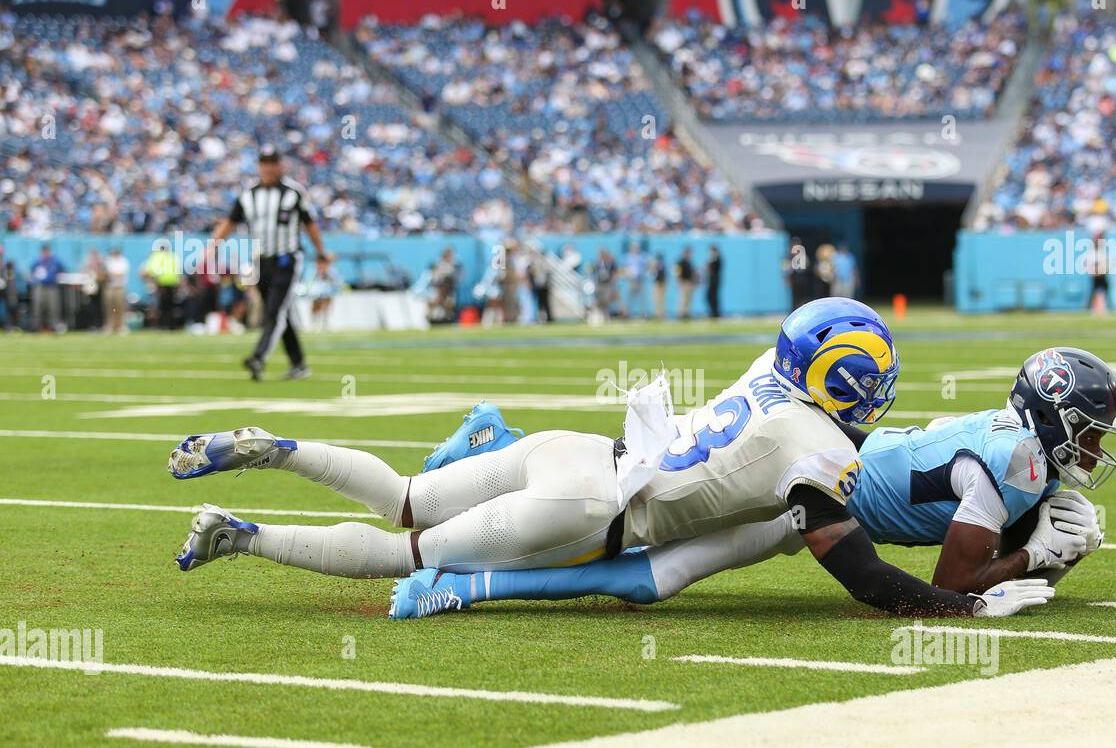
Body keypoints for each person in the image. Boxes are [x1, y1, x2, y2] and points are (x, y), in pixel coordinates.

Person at [168, 299, 1054, 621]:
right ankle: (241, 537)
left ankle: (277, 448)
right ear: (847, 380)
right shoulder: (816, 446)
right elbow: (861, 576)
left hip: (578, 448)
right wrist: (964, 604)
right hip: (595, 514)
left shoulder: (766, 376)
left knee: (403, 497)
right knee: (406, 555)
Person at [402, 348, 1116, 612]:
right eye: (1088, 431)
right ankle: (463, 584)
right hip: (801, 498)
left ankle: (502, 447)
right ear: (1053, 420)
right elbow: (951, 586)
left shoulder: (1021, 450)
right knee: (646, 575)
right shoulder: (1020, 463)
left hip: (810, 460)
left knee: (644, 473)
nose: (1092, 450)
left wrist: (1044, 560)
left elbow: (997, 578)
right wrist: (1037, 555)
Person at [209, 146, 333, 381]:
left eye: (272, 162)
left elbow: (310, 224)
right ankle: (299, 364)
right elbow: (230, 221)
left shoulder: (294, 193)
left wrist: (320, 253)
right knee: (279, 314)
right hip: (261, 261)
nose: (267, 167)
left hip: (287, 259)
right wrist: (211, 246)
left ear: (280, 165)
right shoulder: (248, 194)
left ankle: (258, 357)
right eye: (263, 162)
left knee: (275, 312)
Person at [141, 242, 181, 330]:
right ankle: (171, 326)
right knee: (170, 306)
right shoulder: (173, 256)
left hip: (161, 284)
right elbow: (178, 272)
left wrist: (154, 281)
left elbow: (151, 270)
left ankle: (162, 325)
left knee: (161, 306)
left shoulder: (157, 256)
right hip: (172, 284)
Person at [30, 245, 65, 333]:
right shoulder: (38, 261)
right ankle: (36, 327)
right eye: (44, 252)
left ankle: (54, 327)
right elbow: (32, 270)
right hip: (40, 286)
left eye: (47, 252)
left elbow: (62, 269)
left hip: (52, 286)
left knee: (53, 308)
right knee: (38, 307)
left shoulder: (55, 261)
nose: (46, 254)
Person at [103, 247, 129, 334]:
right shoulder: (108, 261)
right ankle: (110, 325)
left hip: (119, 287)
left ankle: (121, 326)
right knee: (110, 308)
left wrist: (112, 274)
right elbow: (106, 273)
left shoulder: (123, 261)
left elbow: (120, 274)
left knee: (119, 307)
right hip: (110, 287)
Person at [623, 241, 648, 319]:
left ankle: (644, 314)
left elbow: (648, 264)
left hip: (640, 280)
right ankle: (626, 314)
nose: (635, 249)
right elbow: (624, 268)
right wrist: (628, 275)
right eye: (633, 247)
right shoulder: (627, 257)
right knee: (629, 298)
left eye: (636, 247)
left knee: (642, 298)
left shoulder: (642, 256)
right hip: (631, 280)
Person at [675, 247, 696, 319]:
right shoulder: (680, 261)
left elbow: (692, 273)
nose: (689, 255)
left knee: (689, 299)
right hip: (684, 282)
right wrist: (679, 280)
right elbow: (677, 272)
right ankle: (681, 314)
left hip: (689, 282)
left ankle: (686, 313)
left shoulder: (689, 262)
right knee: (683, 299)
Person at [705, 245, 723, 319]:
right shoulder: (714, 259)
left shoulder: (717, 259)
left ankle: (715, 313)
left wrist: (708, 264)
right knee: (711, 297)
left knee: (713, 296)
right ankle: (713, 312)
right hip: (712, 280)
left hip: (714, 281)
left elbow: (710, 269)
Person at [650, 251, 667, 320]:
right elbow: (652, 273)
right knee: (658, 300)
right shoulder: (657, 265)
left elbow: (661, 275)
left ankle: (660, 314)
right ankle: (658, 314)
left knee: (660, 300)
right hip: (658, 283)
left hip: (660, 283)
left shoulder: (661, 265)